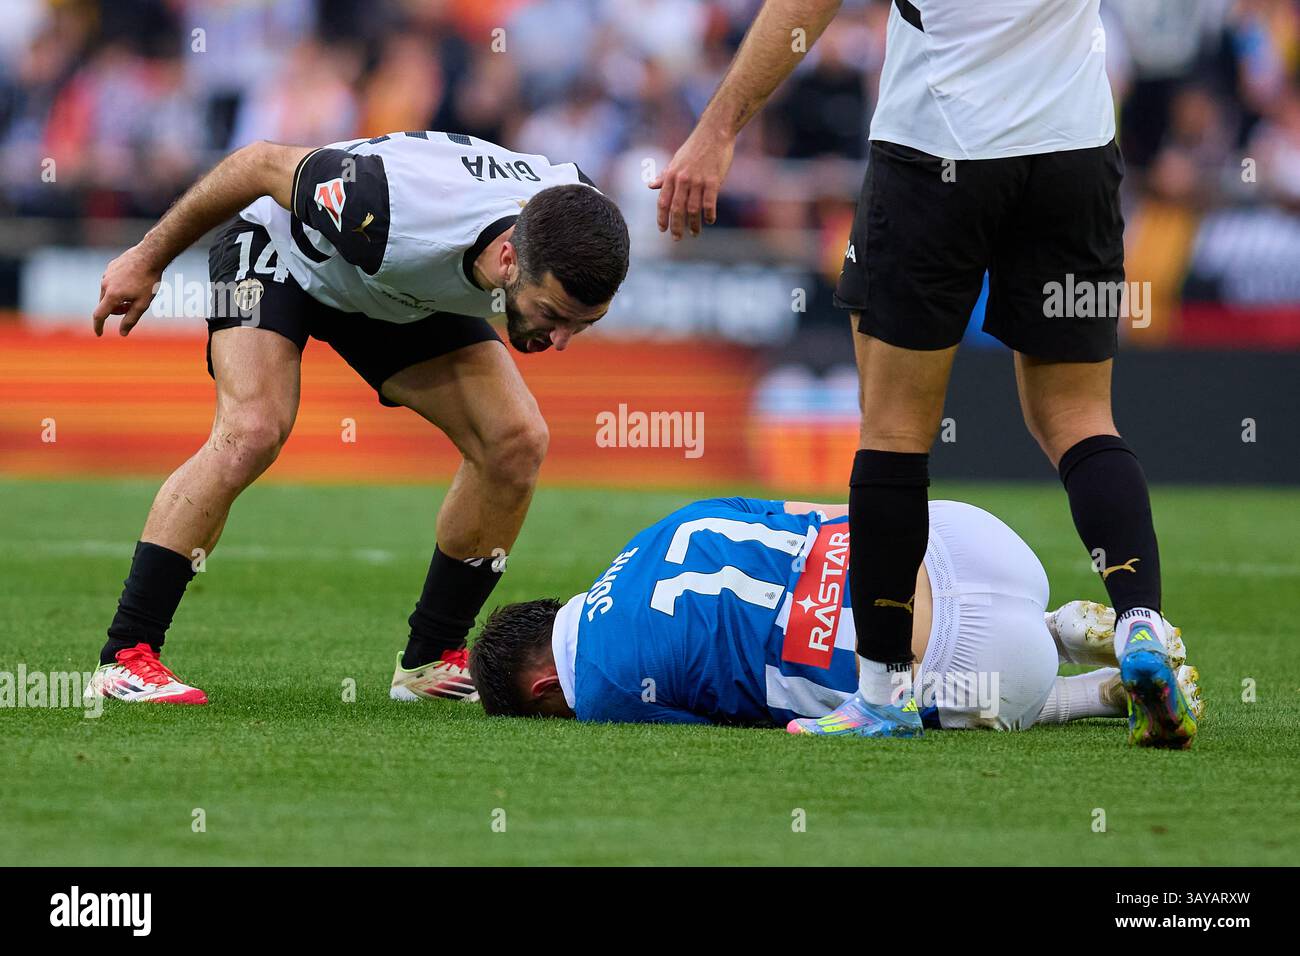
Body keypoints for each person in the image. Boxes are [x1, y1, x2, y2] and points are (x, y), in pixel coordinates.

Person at [650, 0, 1196, 746]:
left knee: (895, 431)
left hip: (935, 150)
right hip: (1074, 155)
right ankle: (1140, 623)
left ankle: (883, 694)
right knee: (1079, 419)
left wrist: (719, 127)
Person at [86, 130, 629, 706]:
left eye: (582, 323)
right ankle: (124, 657)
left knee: (515, 441)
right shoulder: (386, 206)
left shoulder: (575, 216)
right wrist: (147, 258)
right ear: (508, 256)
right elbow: (256, 165)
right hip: (281, 252)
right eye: (551, 314)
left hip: (393, 290)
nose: (562, 340)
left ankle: (429, 662)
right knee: (252, 431)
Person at [468, 496, 1202, 739]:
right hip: (969, 539)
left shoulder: (599, 692)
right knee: (851, 560)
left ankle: (1079, 694)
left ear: (544, 693)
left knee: (871, 695)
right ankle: (1067, 628)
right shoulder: (663, 528)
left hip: (978, 671)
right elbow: (820, 509)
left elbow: (737, 728)